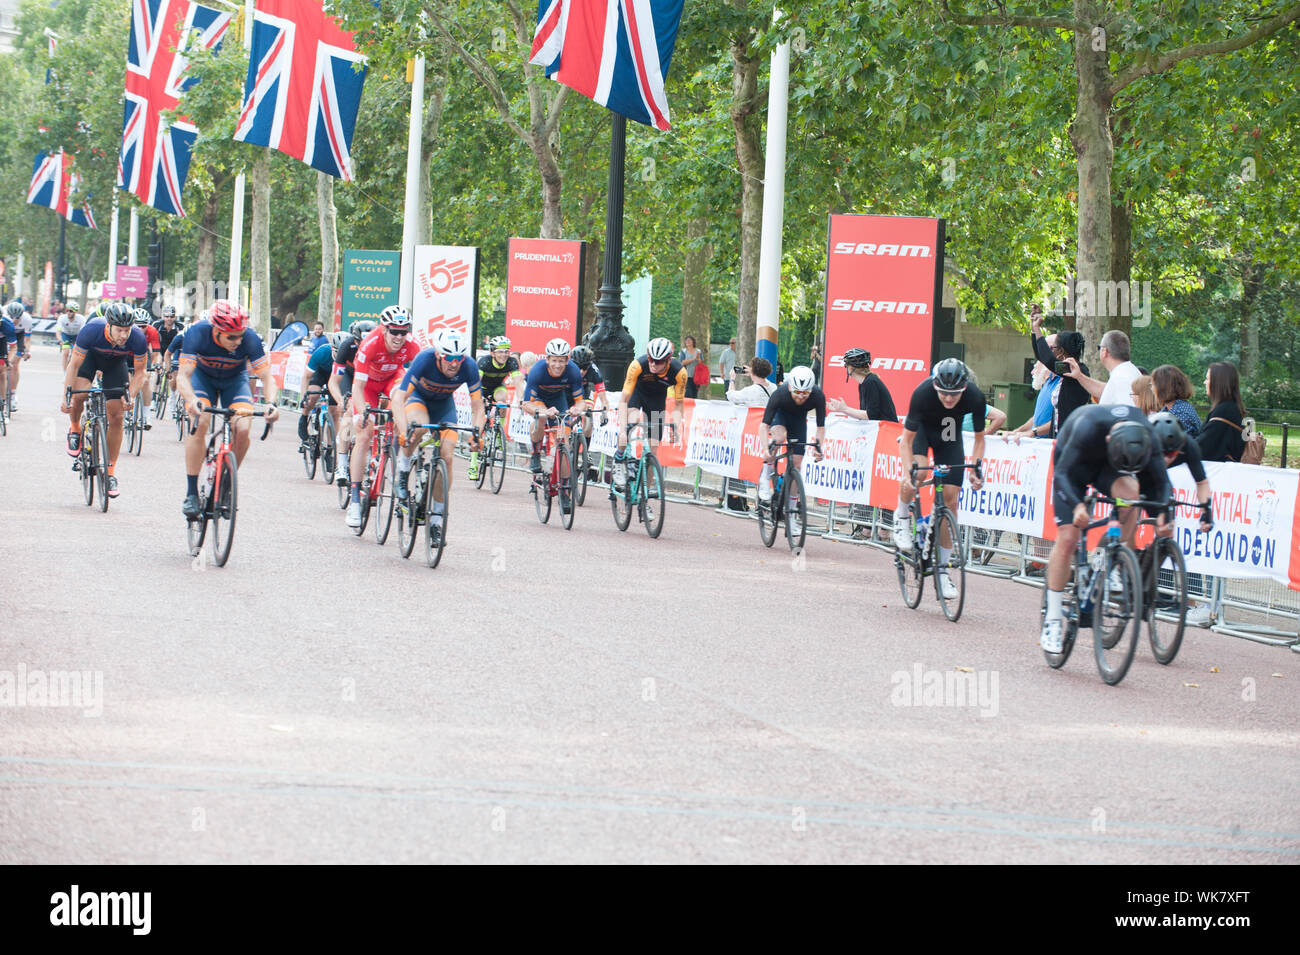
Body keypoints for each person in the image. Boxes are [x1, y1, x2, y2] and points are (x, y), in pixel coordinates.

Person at [1039, 404, 1173, 652]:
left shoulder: (1148, 434)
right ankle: (1053, 618)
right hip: (1073, 465)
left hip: (1111, 466)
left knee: (1132, 495)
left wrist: (1163, 515)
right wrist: (1078, 506)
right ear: (1110, 438)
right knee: (1068, 537)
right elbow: (1062, 475)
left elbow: (1162, 482)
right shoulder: (1087, 428)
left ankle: (1114, 557)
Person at [893, 358, 987, 601]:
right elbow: (906, 441)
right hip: (922, 433)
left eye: (954, 394)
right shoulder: (922, 393)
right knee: (921, 472)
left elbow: (979, 439)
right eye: (943, 393)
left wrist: (976, 468)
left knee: (951, 501)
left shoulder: (975, 397)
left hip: (948, 437)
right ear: (935, 386)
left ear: (964, 388)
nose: (948, 399)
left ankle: (943, 572)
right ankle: (902, 515)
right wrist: (908, 472)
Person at [178, 300, 280, 516]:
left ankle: (225, 484)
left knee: (243, 429)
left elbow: (267, 377)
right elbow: (183, 376)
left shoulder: (249, 339)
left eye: (240, 334)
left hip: (234, 381)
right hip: (202, 379)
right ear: (216, 329)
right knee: (200, 423)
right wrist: (191, 399)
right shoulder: (197, 333)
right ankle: (191, 493)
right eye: (231, 336)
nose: (238, 341)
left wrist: (272, 403)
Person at [391, 329, 486, 534]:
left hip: (444, 406)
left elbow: (478, 406)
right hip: (419, 400)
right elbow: (398, 399)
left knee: (448, 455)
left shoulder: (468, 366)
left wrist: (477, 434)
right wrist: (402, 430)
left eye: (458, 358)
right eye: (448, 357)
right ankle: (403, 468)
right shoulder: (424, 360)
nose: (454, 363)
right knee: (419, 426)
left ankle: (437, 518)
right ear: (438, 355)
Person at [62, 303, 148, 498]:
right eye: (119, 330)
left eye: (127, 330)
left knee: (117, 416)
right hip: (89, 360)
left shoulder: (137, 337)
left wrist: (130, 395)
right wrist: (66, 395)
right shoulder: (91, 329)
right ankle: (75, 428)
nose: (124, 335)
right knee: (80, 395)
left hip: (115, 365)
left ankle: (109, 472)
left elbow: (141, 372)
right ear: (108, 325)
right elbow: (74, 364)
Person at [345, 306, 421, 527]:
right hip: (367, 385)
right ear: (384, 329)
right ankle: (355, 499)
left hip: (392, 380)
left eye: (403, 332)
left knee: (402, 404)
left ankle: (396, 456)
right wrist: (362, 414)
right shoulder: (370, 344)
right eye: (394, 331)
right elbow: (357, 387)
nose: (399, 337)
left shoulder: (412, 345)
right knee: (364, 434)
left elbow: (420, 378)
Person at [521, 339, 586, 508]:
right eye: (554, 360)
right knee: (541, 418)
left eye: (561, 360)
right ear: (548, 359)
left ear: (567, 360)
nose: (558, 365)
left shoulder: (573, 371)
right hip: (539, 401)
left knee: (564, 444)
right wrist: (542, 412)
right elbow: (526, 404)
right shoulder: (537, 371)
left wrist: (577, 409)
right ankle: (535, 453)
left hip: (559, 400)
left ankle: (564, 492)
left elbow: (581, 401)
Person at [614, 337, 685, 490]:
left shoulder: (679, 372)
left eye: (658, 362)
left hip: (657, 400)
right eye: (651, 359)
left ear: (668, 361)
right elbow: (624, 399)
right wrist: (622, 430)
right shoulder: (637, 365)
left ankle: (644, 495)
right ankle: (619, 459)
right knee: (631, 421)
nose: (653, 364)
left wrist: (675, 426)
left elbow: (679, 405)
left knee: (653, 450)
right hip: (637, 394)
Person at [757, 365, 826, 503]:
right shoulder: (780, 394)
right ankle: (765, 475)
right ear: (789, 387)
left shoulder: (818, 396)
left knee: (797, 465)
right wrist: (765, 449)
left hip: (798, 421)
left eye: (805, 393)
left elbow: (820, 427)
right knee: (780, 437)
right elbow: (764, 426)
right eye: (797, 392)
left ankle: (792, 508)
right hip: (780, 416)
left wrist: (818, 448)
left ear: (811, 390)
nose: (801, 396)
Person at [1029, 305, 1090, 433]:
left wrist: (1037, 328)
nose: (1050, 352)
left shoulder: (1074, 370)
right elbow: (1041, 356)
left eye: (1052, 348)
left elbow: (1048, 359)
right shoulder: (1067, 370)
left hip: (1071, 438)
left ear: (1061, 351)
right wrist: (1033, 329)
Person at [469, 335, 522, 481]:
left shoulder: (512, 362)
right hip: (482, 388)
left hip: (498, 387)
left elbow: (518, 383)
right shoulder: (484, 362)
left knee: (502, 402)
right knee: (478, 425)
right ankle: (473, 463)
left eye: (506, 351)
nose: (504, 355)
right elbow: (476, 383)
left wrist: (522, 400)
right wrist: (479, 400)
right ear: (492, 353)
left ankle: (498, 434)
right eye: (500, 351)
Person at [1062, 328, 1141, 407]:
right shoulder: (1125, 371)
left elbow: (1127, 413)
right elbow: (1106, 390)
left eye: (1099, 347)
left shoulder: (1122, 378)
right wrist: (1079, 376)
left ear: (1104, 351)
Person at [1197, 362, 1247, 463]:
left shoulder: (1224, 411)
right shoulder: (1229, 408)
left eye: (1207, 379)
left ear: (1217, 382)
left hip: (1222, 473)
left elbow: (1204, 445)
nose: (1204, 382)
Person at [829, 347, 897, 422]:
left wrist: (845, 409)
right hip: (880, 428)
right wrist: (842, 409)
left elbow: (871, 415)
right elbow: (865, 415)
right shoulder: (864, 383)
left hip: (887, 429)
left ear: (850, 368)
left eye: (846, 366)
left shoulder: (870, 382)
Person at [1151, 364, 1202, 439]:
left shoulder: (1180, 413)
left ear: (1163, 387)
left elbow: (1175, 445)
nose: (1152, 389)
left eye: (1153, 384)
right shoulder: (1170, 408)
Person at [1012, 360, 1059, 437]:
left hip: (1050, 442)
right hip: (1039, 440)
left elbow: (1059, 420)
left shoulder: (1058, 385)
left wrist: (1033, 432)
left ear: (1046, 367)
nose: (1032, 372)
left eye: (1036, 368)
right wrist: (1017, 431)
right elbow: (1036, 418)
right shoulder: (1046, 385)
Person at [133, 307, 161, 421]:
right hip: (128, 355)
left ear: (147, 325)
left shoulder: (152, 331)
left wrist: (156, 364)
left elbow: (156, 353)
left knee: (145, 381)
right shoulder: (126, 331)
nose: (140, 329)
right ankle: (128, 412)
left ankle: (146, 415)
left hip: (143, 354)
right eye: (137, 325)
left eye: (143, 326)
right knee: (128, 380)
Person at [4, 300, 32, 412]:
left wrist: (27, 351)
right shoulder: (3, 315)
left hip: (19, 335)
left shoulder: (27, 319)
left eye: (17, 318)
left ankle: (12, 396)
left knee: (15, 364)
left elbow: (27, 339)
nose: (15, 320)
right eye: (13, 318)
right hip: (5, 333)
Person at [57, 303, 86, 371]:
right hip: (65, 335)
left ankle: (71, 368)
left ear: (75, 312)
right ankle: (65, 372)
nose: (68, 312)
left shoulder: (81, 319)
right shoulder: (62, 318)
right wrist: (60, 340)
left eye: (71, 311)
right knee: (66, 353)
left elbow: (83, 333)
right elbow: (58, 332)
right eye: (67, 310)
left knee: (74, 354)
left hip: (77, 336)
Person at [680, 335, 702, 399]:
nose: (687, 342)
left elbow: (700, 363)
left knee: (695, 394)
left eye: (689, 340)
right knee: (688, 394)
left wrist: (698, 359)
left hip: (696, 376)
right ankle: (687, 407)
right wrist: (693, 359)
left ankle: (694, 408)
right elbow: (682, 362)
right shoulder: (683, 351)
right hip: (686, 375)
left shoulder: (698, 351)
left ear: (693, 342)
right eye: (686, 340)